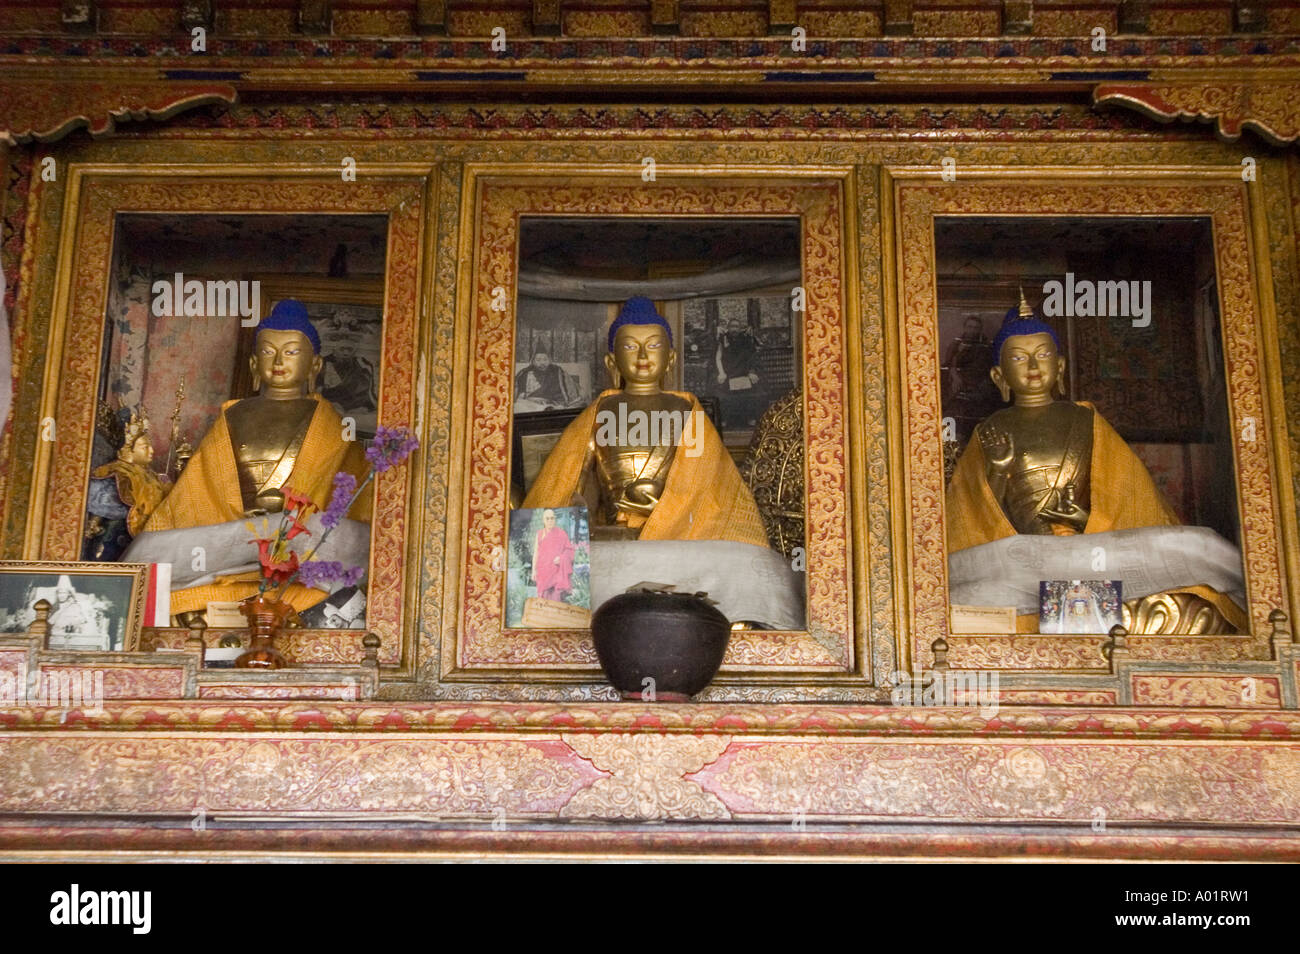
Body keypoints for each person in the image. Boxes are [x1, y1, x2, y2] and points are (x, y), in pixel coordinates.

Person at [945, 291, 1245, 632]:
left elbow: (1130, 498)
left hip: (1092, 553)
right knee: (956, 608)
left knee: (1199, 547)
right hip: (1024, 561)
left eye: (1042, 355)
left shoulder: (1086, 418)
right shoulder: (991, 431)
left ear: (1059, 367)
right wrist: (998, 469)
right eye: (1018, 358)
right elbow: (970, 519)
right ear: (999, 377)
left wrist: (1089, 519)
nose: (1032, 367)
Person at [126, 300, 371, 621]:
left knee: (335, 571)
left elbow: (357, 496)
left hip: (300, 564)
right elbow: (200, 489)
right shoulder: (234, 415)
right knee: (160, 572)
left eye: (293, 352)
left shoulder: (333, 428)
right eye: (269, 352)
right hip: (230, 550)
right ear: (254, 365)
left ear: (315, 366)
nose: (279, 361)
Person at [523, 296, 768, 546]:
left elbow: (707, 489)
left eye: (653, 346)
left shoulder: (687, 411)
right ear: (611, 362)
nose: (642, 355)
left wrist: (669, 504)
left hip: (676, 538)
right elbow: (573, 482)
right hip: (614, 540)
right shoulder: (600, 413)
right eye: (629, 347)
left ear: (670, 358)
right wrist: (581, 515)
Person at [532, 509, 575, 601]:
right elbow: (536, 552)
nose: (550, 521)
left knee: (555, 598)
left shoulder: (561, 533)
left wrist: (561, 558)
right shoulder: (539, 534)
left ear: (555, 519)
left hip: (556, 571)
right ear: (543, 520)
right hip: (543, 571)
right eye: (547, 519)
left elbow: (569, 551)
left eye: (552, 518)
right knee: (543, 598)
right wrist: (533, 571)